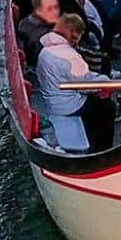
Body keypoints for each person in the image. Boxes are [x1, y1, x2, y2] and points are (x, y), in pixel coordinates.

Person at [33, 13, 94, 151]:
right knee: (105, 108)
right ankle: (101, 147)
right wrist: (104, 81)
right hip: (70, 106)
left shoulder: (45, 50)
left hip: (51, 101)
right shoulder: (71, 57)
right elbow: (87, 86)